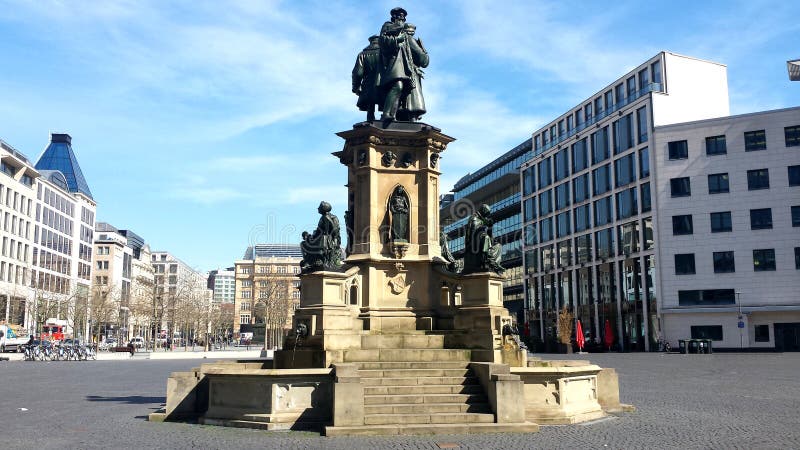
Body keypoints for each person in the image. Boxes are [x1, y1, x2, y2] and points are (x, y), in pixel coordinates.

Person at [378, 7, 415, 123]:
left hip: (403, 63)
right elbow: (383, 41)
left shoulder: (403, 31)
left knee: (401, 88)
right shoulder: (387, 26)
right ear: (394, 16)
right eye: (399, 15)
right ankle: (386, 114)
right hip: (393, 62)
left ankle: (393, 115)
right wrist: (398, 39)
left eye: (403, 16)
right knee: (397, 85)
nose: (402, 17)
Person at [300, 201, 343, 272]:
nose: (318, 209)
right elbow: (318, 230)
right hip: (320, 237)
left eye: (319, 208)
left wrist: (328, 222)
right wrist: (311, 237)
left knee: (323, 238)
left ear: (324, 209)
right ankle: (308, 261)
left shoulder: (333, 218)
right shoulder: (322, 218)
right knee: (303, 244)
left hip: (330, 239)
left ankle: (320, 259)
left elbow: (335, 231)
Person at [398, 23, 428, 121]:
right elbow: (424, 61)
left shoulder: (397, 41)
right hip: (410, 73)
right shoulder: (409, 40)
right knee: (412, 102)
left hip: (398, 74)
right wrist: (423, 50)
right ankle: (412, 118)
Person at [352, 35, 382, 121]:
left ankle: (370, 116)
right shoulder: (385, 53)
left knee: (370, 102)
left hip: (367, 83)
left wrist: (356, 87)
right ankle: (386, 117)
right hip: (382, 82)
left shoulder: (362, 54)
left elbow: (357, 73)